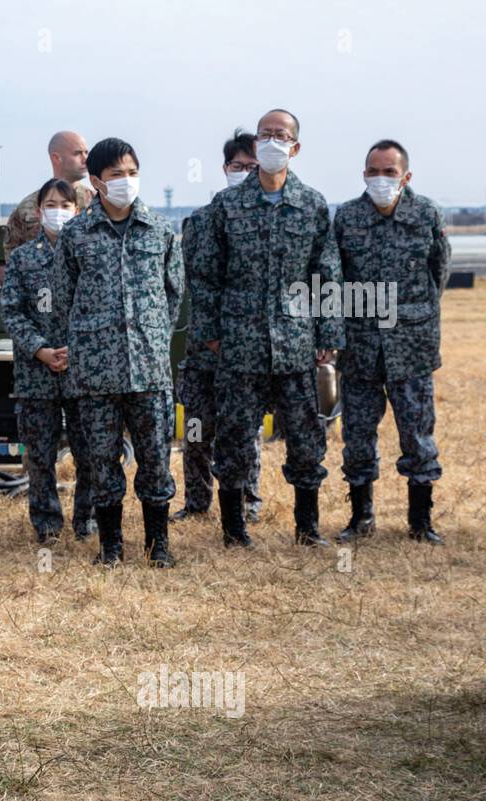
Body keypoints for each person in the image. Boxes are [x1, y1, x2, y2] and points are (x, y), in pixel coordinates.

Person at [190, 108, 343, 548]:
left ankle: (307, 528)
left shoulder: (311, 204)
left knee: (306, 438)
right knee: (236, 437)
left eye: (281, 135)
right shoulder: (228, 205)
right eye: (265, 135)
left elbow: (325, 272)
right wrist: (211, 333)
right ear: (255, 145)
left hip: (296, 345)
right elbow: (205, 274)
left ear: (294, 148)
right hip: (240, 347)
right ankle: (234, 530)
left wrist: (329, 334)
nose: (272, 141)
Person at [52, 138, 182, 567]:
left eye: (132, 173)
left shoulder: (161, 231)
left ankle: (157, 545)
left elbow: (173, 294)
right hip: (96, 376)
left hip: (148, 372)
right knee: (102, 463)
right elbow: (63, 297)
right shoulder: (76, 234)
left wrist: (151, 335)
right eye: (115, 176)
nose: (126, 182)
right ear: (96, 182)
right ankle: (110, 547)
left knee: (156, 461)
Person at [334, 139, 450, 544]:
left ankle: (420, 522)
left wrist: (416, 317)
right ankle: (361, 517)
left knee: (418, 436)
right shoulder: (346, 218)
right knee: (358, 437)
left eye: (389, 171)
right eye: (373, 171)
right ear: (363, 174)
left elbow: (439, 273)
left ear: (406, 176)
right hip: (361, 347)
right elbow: (336, 280)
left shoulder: (426, 214)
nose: (380, 178)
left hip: (411, 348)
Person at [176, 130, 264, 523]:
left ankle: (248, 499)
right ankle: (197, 501)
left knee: (245, 430)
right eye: (238, 166)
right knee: (196, 429)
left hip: (247, 350)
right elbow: (190, 282)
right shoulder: (201, 220)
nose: (244, 173)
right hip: (203, 350)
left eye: (252, 167)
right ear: (225, 169)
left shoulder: (269, 224)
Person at [1, 178, 95, 544]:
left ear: (77, 210)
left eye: (65, 205)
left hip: (83, 370)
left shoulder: (88, 253)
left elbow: (97, 308)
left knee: (90, 451)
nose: (58, 211)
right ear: (39, 212)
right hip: (35, 372)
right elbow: (12, 311)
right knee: (39, 455)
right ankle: (47, 525)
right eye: (50, 205)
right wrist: (40, 349)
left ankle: (87, 520)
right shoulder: (24, 258)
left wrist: (75, 348)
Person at [4, 131, 95, 256]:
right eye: (77, 153)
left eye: (86, 152)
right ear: (56, 158)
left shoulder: (97, 202)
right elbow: (11, 254)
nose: (86, 159)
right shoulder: (27, 207)